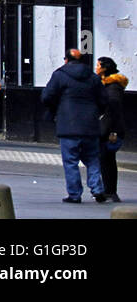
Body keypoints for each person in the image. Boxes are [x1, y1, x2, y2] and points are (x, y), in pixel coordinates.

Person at [41, 48, 106, 202]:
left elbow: (47, 97)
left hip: (68, 125)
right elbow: (104, 100)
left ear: (66, 60)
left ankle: (75, 194)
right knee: (92, 159)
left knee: (70, 161)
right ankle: (97, 188)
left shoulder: (60, 75)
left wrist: (57, 108)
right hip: (90, 125)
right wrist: (95, 113)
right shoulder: (93, 77)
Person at [97, 56, 127, 202]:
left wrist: (112, 131)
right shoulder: (110, 86)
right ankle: (109, 190)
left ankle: (110, 190)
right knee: (107, 160)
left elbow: (114, 110)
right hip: (109, 129)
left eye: (98, 66)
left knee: (106, 160)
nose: (96, 68)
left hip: (110, 131)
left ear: (104, 68)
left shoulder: (112, 87)